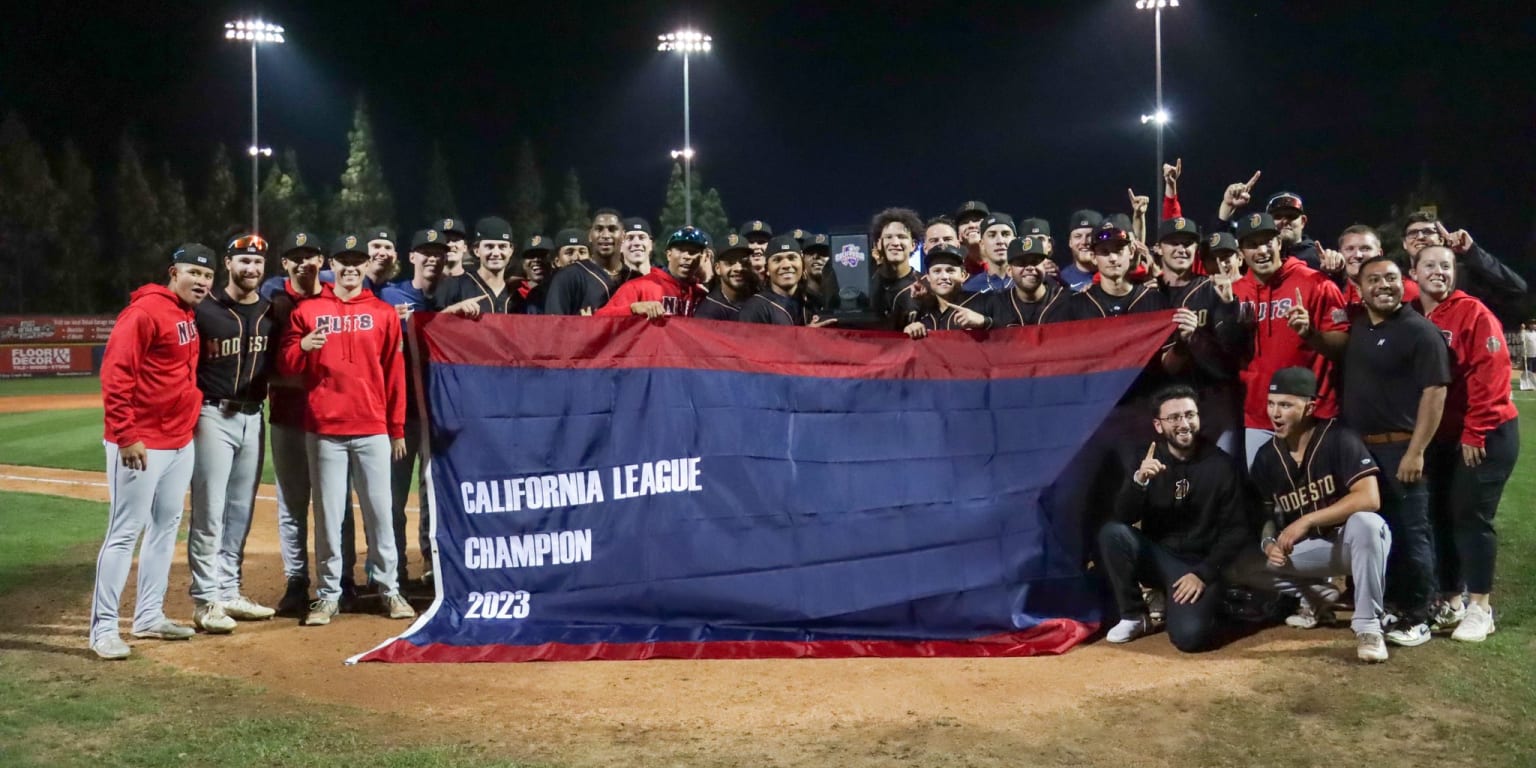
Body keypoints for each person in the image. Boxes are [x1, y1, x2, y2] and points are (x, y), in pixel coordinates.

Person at [89, 243, 216, 659]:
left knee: (165, 528)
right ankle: (104, 629)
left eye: (208, 275)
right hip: (141, 442)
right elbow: (116, 375)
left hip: (179, 441)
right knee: (125, 532)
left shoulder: (187, 314)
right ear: (173, 272)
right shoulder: (144, 312)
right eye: (194, 272)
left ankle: (148, 616)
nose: (201, 281)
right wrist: (125, 435)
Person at [280, 234, 412, 626]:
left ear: (365, 265)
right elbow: (285, 365)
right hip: (324, 428)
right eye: (343, 261)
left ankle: (389, 588)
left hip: (372, 427)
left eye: (357, 261)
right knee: (328, 516)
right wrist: (302, 347)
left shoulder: (383, 313)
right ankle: (328, 595)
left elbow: (395, 374)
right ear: (331, 265)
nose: (351, 267)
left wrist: (397, 427)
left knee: (380, 513)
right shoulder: (307, 310)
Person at [1228, 367, 1393, 663]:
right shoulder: (1267, 456)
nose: (1275, 413)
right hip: (1311, 552)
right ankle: (1316, 595)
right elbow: (1264, 513)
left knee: (1368, 524)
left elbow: (1369, 497)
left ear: (1310, 407)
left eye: (1285, 405)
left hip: (1350, 544)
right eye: (1271, 403)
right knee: (1238, 565)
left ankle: (1369, 627)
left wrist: (1307, 520)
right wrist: (1268, 542)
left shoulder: (1339, 438)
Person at [1340, 256, 1449, 648]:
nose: (1383, 285)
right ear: (1360, 289)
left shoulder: (1420, 331)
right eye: (1374, 280)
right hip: (1363, 449)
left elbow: (1435, 393)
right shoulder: (1361, 327)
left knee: (1412, 532)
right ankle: (1393, 605)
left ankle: (1421, 614)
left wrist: (1416, 451)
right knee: (1381, 531)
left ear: (1404, 284)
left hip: (1401, 446)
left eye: (1391, 278)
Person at [1412, 245, 1520, 642]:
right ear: (1413, 272)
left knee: (1470, 516)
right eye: (1429, 265)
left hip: (1486, 432)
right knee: (1440, 515)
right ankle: (1452, 600)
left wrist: (1476, 430)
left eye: (1446, 265)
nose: (1438, 272)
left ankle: (1480, 607)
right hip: (1444, 436)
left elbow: (1491, 374)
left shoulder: (1472, 311)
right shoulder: (1413, 313)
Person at [1098, 386, 1249, 652]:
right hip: (1158, 557)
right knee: (1112, 533)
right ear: (1158, 425)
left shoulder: (1221, 465)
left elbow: (1237, 531)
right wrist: (1139, 481)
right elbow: (1123, 517)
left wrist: (1203, 573)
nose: (1184, 424)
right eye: (1174, 417)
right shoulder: (1146, 458)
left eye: (1190, 415)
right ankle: (1135, 615)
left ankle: (1213, 600)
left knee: (1190, 638)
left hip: (1197, 565)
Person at [187, 234, 277, 635]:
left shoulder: (270, 311)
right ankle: (205, 599)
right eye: (243, 261)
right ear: (228, 264)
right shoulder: (203, 310)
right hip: (212, 415)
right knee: (209, 510)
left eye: (257, 262)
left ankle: (228, 590)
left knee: (240, 510)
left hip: (254, 417)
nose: (251, 268)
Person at [1230, 212, 1349, 467]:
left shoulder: (1317, 282)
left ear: (1279, 242)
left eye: (1267, 242)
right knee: (1265, 490)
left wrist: (1310, 334)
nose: (1262, 251)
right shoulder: (1234, 293)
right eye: (1252, 245)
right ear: (1241, 252)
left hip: (1313, 415)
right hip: (1259, 418)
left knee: (1319, 489)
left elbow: (1343, 345)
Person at [378, 229, 447, 586]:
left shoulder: (452, 295)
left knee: (435, 496)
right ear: (412, 257)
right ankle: (394, 570)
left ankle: (433, 566)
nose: (432, 257)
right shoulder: (390, 295)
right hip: (399, 414)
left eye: (438, 252)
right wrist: (389, 319)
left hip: (439, 414)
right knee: (393, 496)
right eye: (425, 251)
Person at [267, 232, 329, 615]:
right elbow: (267, 366)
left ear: (322, 260)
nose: (304, 262)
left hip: (331, 420)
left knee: (331, 504)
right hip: (287, 416)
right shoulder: (273, 303)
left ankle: (337, 581)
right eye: (295, 256)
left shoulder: (336, 299)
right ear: (285, 263)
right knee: (292, 504)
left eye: (310, 255)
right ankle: (296, 581)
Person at [1040, 221, 1167, 322]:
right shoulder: (1076, 305)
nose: (1113, 258)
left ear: (1131, 252)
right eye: (1104, 252)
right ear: (1093, 257)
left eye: (1118, 250)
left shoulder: (1154, 300)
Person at [1400, 213, 1527, 302]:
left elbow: (1517, 287)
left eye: (1428, 232)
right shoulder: (1397, 280)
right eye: (1412, 233)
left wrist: (1472, 251)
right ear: (1404, 243)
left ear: (1441, 240)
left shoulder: (1463, 276)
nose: (1420, 237)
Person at [597, 226, 709, 318]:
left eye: (693, 252)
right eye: (681, 250)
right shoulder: (638, 286)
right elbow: (599, 319)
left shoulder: (701, 295)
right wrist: (633, 309)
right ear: (668, 254)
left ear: (702, 257)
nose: (687, 257)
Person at [545, 210, 631, 315]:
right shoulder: (568, 276)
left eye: (612, 229)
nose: (605, 235)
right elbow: (553, 321)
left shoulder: (633, 277)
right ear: (590, 235)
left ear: (623, 236)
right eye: (599, 229)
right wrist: (583, 323)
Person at [433, 217, 524, 315]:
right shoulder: (454, 286)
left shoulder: (519, 295)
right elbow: (428, 323)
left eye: (502, 247)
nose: (496, 253)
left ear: (511, 250)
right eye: (489, 246)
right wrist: (452, 310)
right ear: (476, 250)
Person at [738, 236, 836, 327]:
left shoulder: (815, 302)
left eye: (792, 258)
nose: (786, 265)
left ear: (802, 265)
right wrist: (807, 334)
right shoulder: (755, 308)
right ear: (767, 269)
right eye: (777, 260)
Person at [902, 243, 991, 338]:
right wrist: (909, 332)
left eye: (950, 270)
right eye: (937, 271)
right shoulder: (923, 314)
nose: (944, 276)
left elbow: (1002, 333)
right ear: (928, 277)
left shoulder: (984, 301)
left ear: (963, 275)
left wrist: (985, 322)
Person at [983, 236, 1066, 326]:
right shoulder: (997, 303)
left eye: (1035, 262)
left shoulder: (1066, 300)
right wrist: (985, 321)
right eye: (1021, 263)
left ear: (1044, 266)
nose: (1030, 267)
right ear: (1009, 271)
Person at [868, 207, 924, 329]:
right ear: (878, 244)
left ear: (913, 245)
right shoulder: (866, 283)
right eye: (888, 237)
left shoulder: (923, 286)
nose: (895, 243)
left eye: (902, 237)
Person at [1335, 225, 1417, 306]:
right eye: (1350, 249)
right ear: (1340, 254)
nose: (1358, 255)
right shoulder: (1334, 292)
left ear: (1379, 253)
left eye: (1365, 248)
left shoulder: (1406, 289)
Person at [696, 233, 755, 321]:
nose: (738, 268)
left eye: (744, 262)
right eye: (730, 262)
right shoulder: (708, 311)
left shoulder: (758, 299)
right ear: (717, 268)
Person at [962, 213, 1015, 294]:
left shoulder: (1029, 283)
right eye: (992, 235)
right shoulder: (969, 289)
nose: (1000, 241)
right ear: (982, 244)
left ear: (1014, 241)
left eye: (1005, 234)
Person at [1058, 209, 1103, 292]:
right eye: (1078, 236)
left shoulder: (1111, 274)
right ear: (1070, 242)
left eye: (1090, 236)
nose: (1084, 242)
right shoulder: (1061, 280)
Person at [953, 200, 990, 276]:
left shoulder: (1009, 265)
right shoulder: (956, 273)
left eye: (976, 220)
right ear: (958, 236)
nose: (971, 225)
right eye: (964, 222)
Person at [1522, 321, 1536, 391]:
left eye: (1535, 324)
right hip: (1528, 355)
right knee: (1528, 371)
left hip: (1535, 355)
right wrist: (1522, 329)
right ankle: (1529, 384)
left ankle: (1532, 383)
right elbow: (1522, 340)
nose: (1534, 326)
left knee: (1533, 371)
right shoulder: (1525, 333)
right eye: (1533, 324)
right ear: (1529, 325)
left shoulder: (1535, 333)